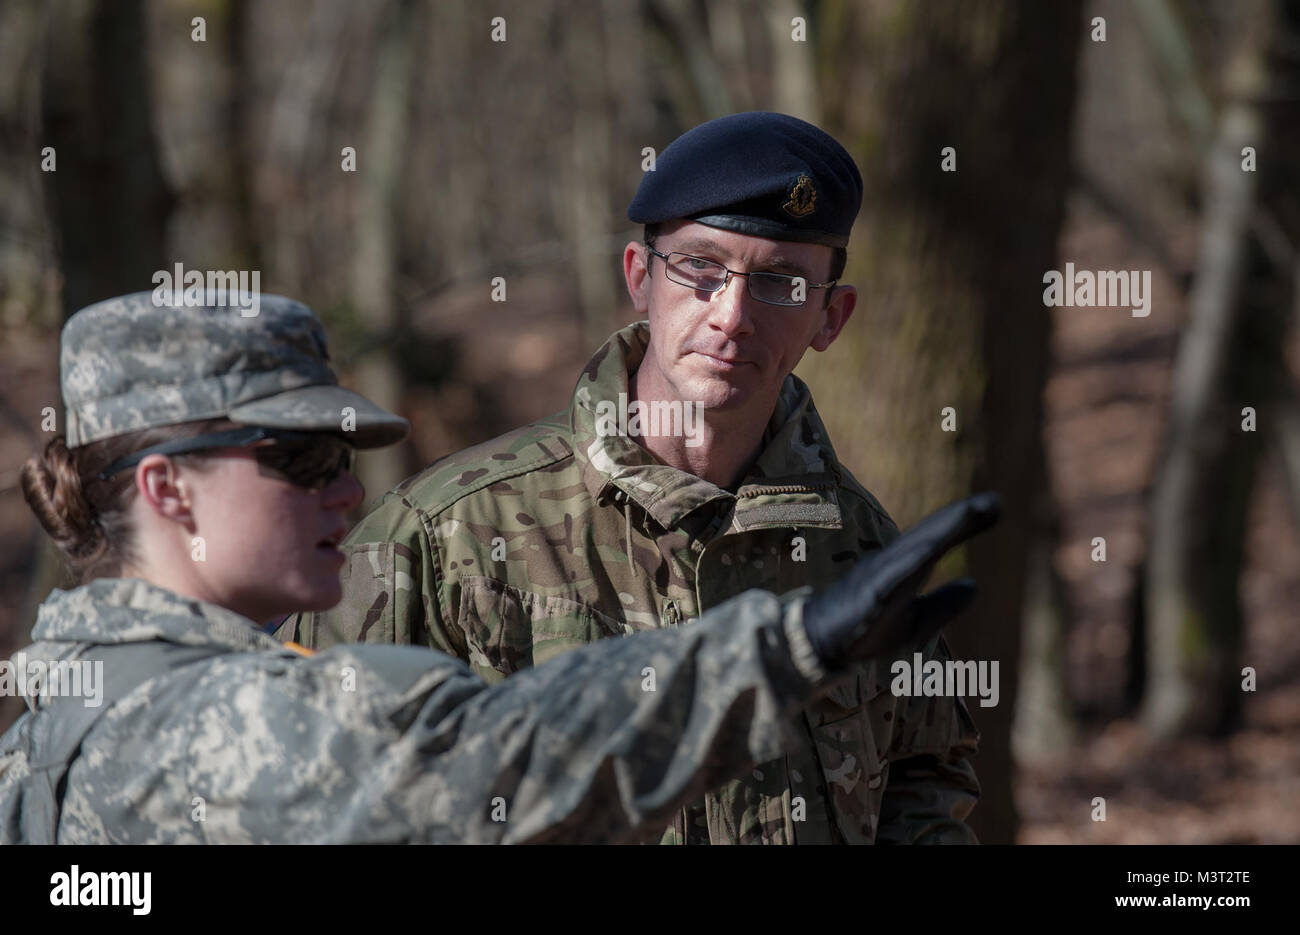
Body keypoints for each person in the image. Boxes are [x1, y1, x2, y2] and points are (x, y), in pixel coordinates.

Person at [0, 290, 999, 844]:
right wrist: (784, 648)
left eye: (344, 460)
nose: (348, 493)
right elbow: (501, 758)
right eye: (299, 460)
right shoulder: (227, 723)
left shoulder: (49, 732)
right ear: (169, 489)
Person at [285, 112, 988, 844]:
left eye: (779, 281)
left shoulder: (863, 553)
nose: (732, 314)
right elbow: (304, 793)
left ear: (830, 317)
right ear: (639, 278)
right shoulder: (441, 537)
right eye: (701, 268)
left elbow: (925, 781)